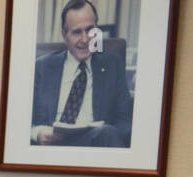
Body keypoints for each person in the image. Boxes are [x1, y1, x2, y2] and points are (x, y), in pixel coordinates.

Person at [30, 0, 133, 148]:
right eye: (77, 32)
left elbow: (124, 122)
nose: (85, 39)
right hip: (50, 147)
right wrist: (37, 133)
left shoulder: (112, 65)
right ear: (64, 34)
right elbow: (20, 117)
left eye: (90, 30)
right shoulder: (42, 67)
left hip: (94, 146)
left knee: (107, 133)